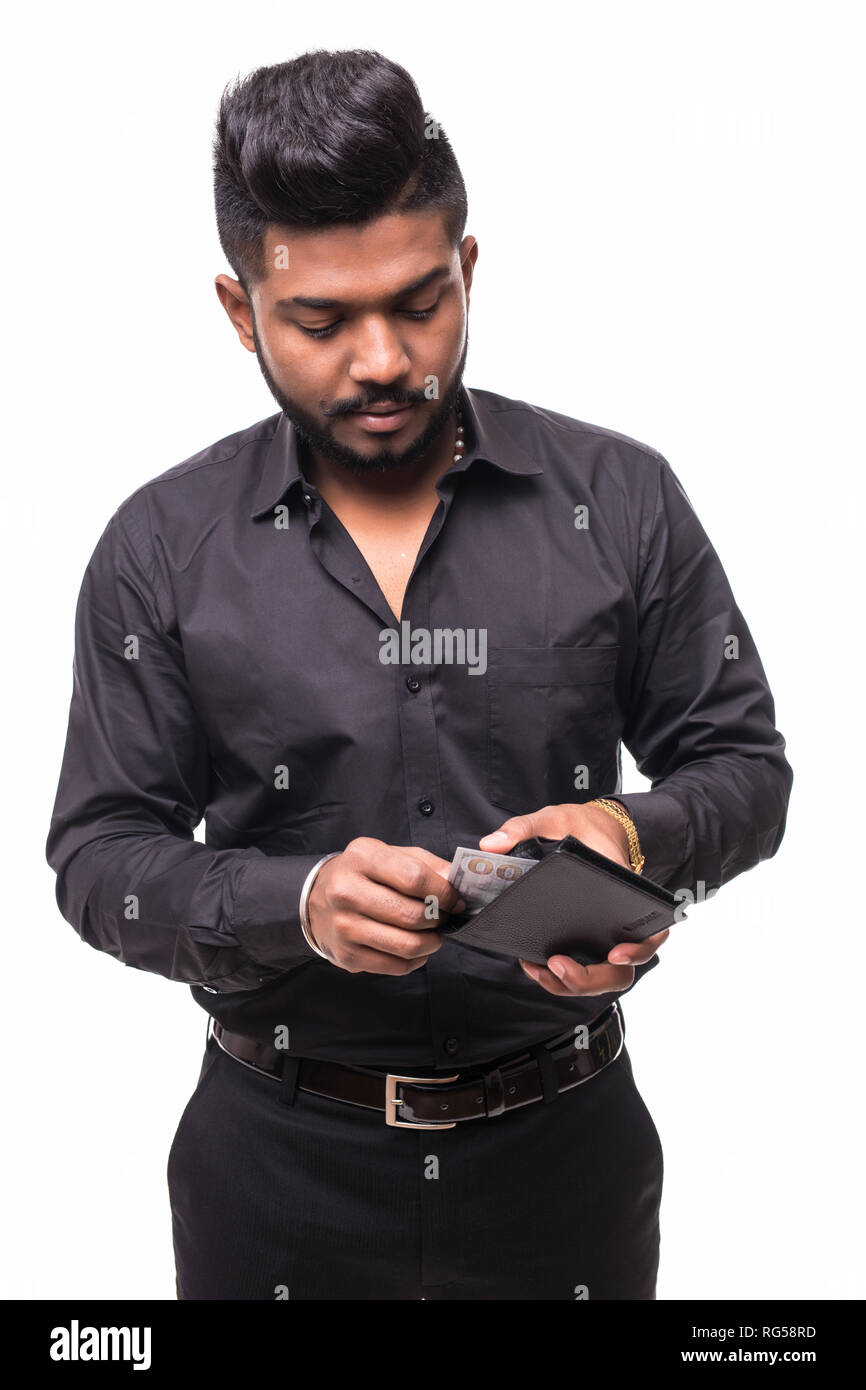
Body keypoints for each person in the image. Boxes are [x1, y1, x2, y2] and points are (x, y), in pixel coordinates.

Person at [45, 49, 793, 1301]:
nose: (383, 359)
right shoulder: (159, 547)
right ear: (241, 312)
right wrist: (296, 906)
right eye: (322, 320)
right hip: (271, 1182)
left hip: (567, 1170)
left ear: (468, 268)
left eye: (419, 300)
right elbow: (99, 856)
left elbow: (744, 773)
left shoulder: (619, 500)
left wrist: (625, 833)